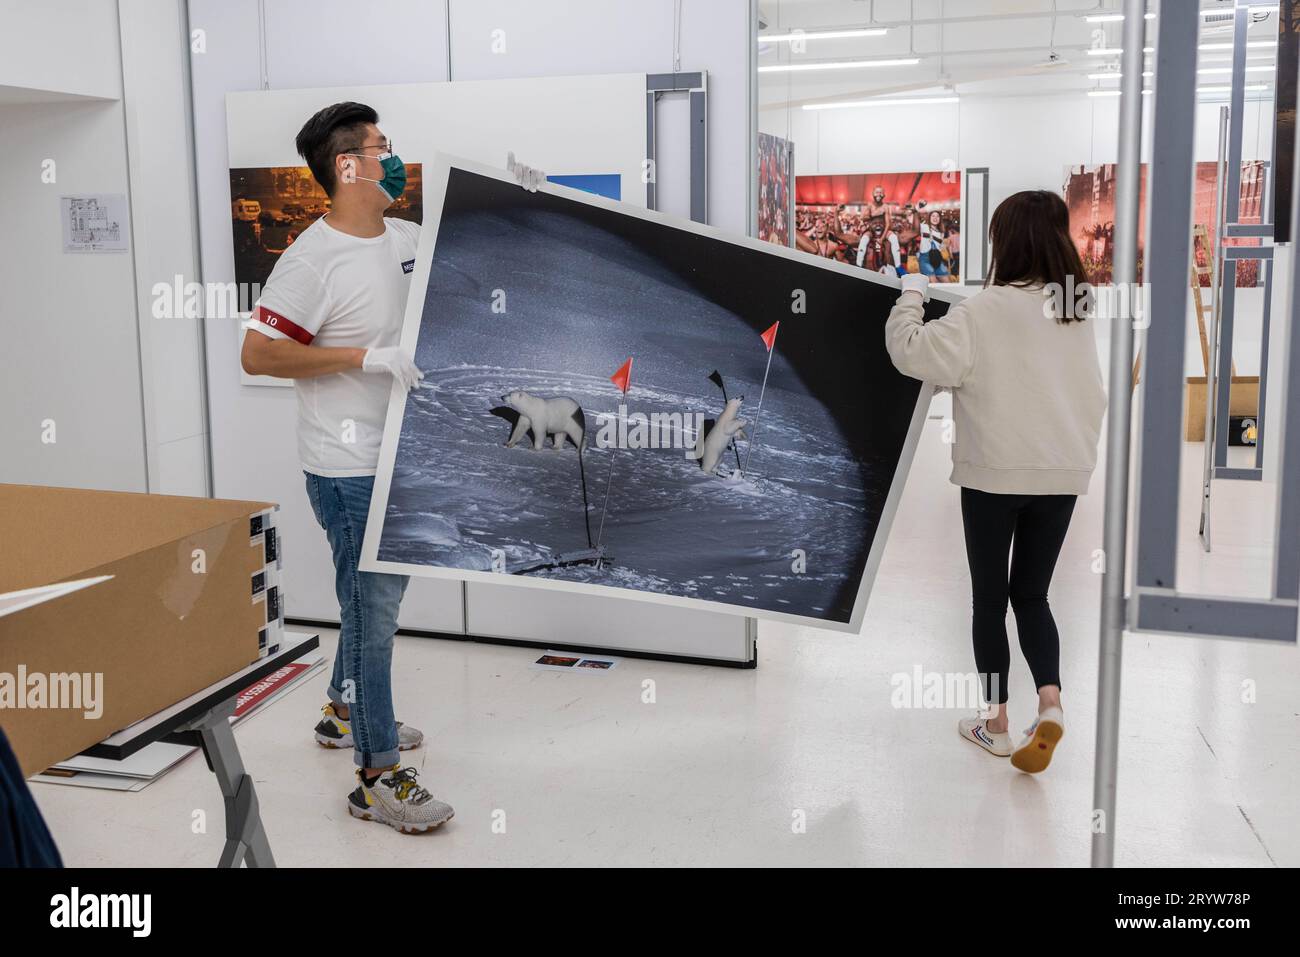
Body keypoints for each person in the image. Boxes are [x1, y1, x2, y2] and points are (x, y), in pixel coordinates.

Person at [240, 100, 544, 830]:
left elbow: (478, 270)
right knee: (373, 616)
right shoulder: (310, 260)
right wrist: (361, 356)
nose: (395, 157)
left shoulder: (403, 236)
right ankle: (374, 776)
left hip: (396, 454)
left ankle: (344, 712)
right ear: (347, 166)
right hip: (345, 468)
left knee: (366, 603)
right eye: (382, 147)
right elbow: (258, 352)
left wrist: (522, 201)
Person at [883, 190, 1106, 774]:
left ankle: (997, 722)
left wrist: (911, 293)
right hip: (1061, 473)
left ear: (1004, 242)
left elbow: (912, 353)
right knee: (1032, 595)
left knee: (989, 599)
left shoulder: (983, 310)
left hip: (993, 476)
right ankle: (1050, 702)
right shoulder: (1077, 307)